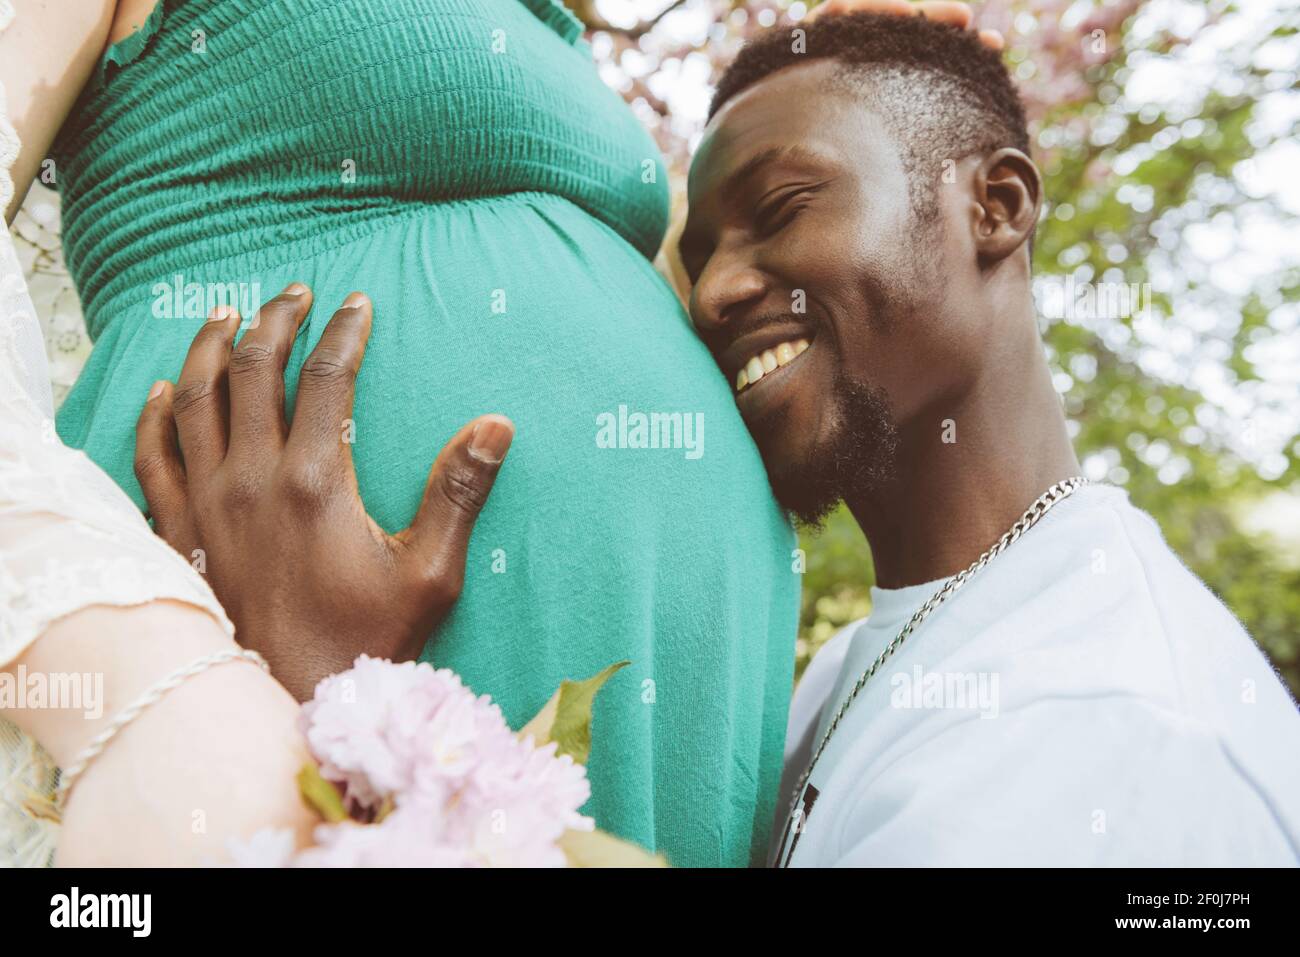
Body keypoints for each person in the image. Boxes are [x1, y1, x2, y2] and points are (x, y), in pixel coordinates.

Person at [678, 11, 1300, 865]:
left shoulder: (1098, 737)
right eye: (699, 255)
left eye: (781, 206)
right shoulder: (852, 667)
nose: (712, 292)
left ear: (995, 208)